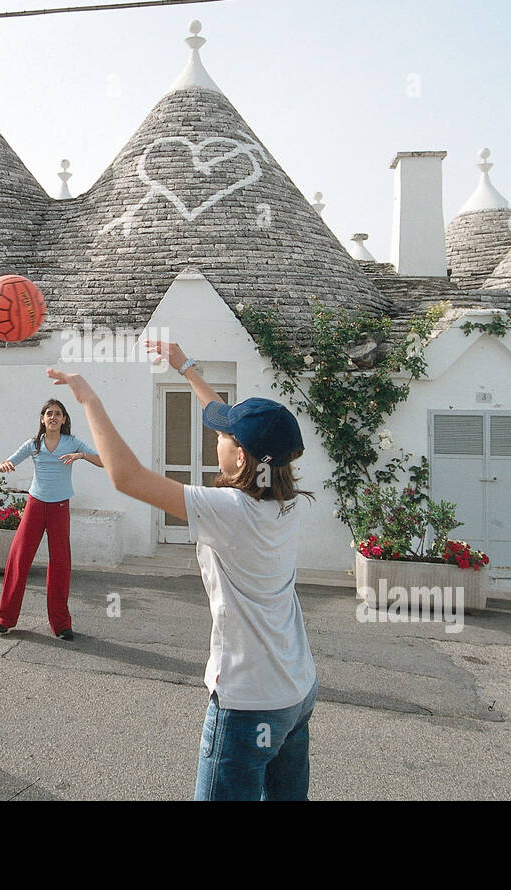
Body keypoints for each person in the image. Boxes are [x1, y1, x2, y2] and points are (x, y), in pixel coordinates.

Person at [46, 341, 318, 800]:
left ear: (242, 458)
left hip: (248, 703)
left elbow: (126, 477)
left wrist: (88, 398)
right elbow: (223, 415)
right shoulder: (284, 502)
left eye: (225, 437)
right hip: (296, 692)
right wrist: (185, 367)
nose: (217, 437)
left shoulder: (231, 511)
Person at [0, 399, 102, 640]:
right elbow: (8, 461)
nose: (53, 417)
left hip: (60, 507)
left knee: (60, 564)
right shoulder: (33, 444)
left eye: (58, 414)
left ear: (64, 420)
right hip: (35, 505)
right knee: (19, 559)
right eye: (49, 414)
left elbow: (103, 461)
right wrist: (5, 465)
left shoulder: (72, 443)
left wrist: (81, 455)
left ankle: (61, 625)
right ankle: (4, 619)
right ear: (42, 419)